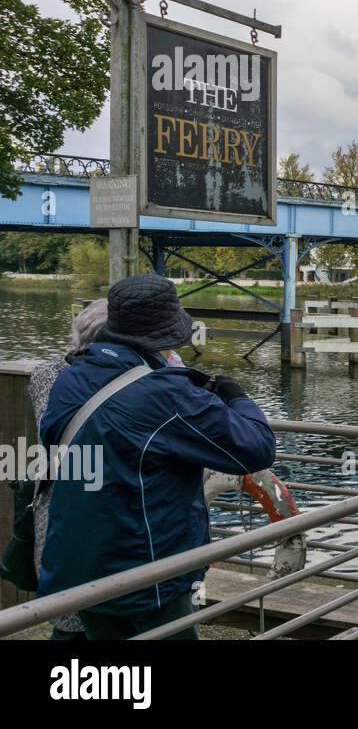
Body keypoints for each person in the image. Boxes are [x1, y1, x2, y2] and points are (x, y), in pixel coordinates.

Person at [39, 274, 277, 639]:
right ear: (166, 335)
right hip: (146, 572)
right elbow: (256, 448)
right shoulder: (168, 394)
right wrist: (237, 397)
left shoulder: (72, 377)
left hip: (81, 566)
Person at [25, 299, 110, 641]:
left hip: (54, 498)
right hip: (98, 505)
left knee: (68, 611)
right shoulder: (127, 380)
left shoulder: (46, 373)